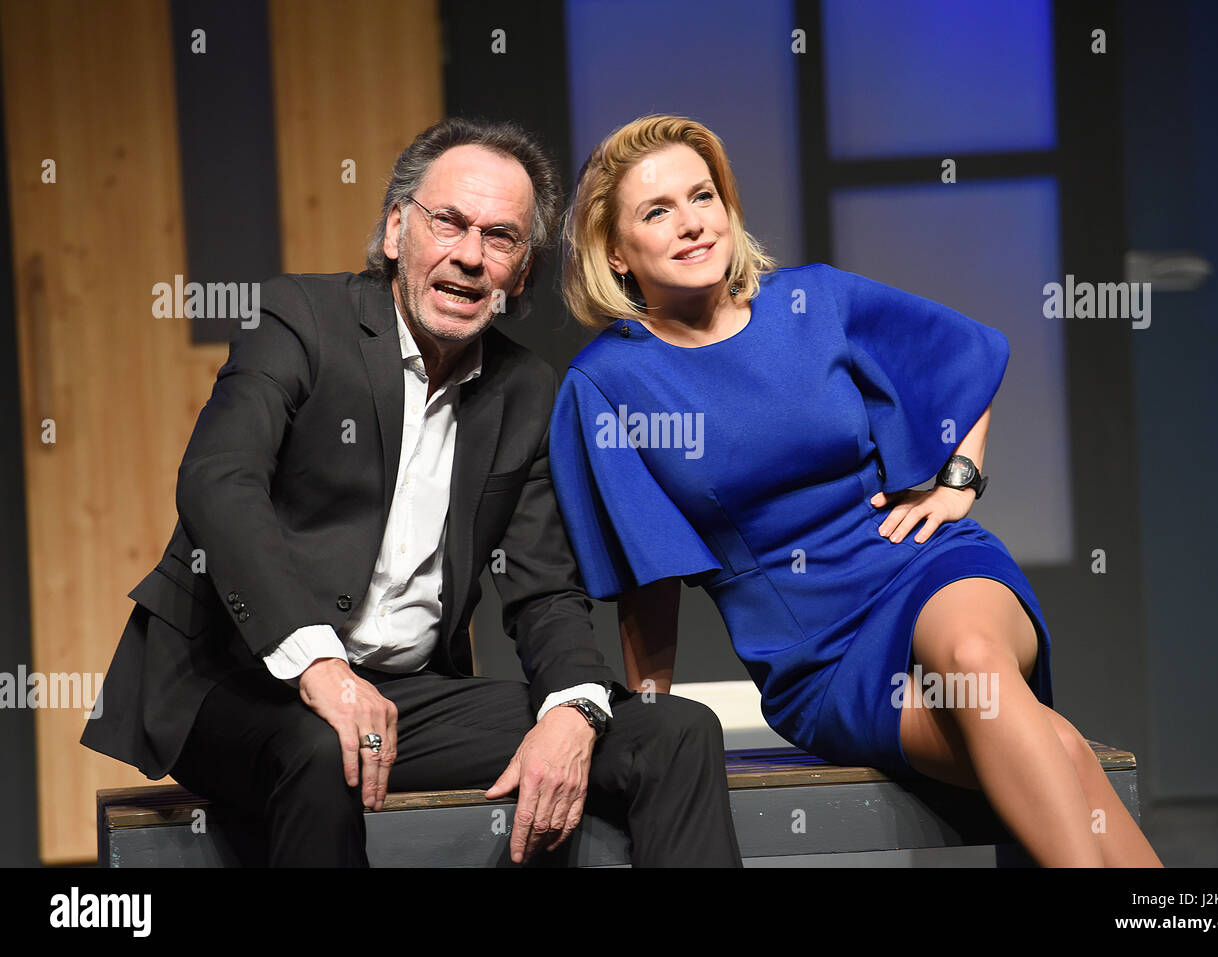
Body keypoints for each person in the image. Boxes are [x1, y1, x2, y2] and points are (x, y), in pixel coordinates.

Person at [81, 117, 741, 868]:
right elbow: (217, 482)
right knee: (322, 745)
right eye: (448, 223)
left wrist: (573, 707)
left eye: (501, 237)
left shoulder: (525, 390)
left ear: (521, 272)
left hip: (404, 698)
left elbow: (544, 591)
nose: (469, 256)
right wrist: (320, 668)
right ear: (397, 229)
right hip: (233, 679)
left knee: (675, 731)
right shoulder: (302, 320)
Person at [549, 114, 1162, 867]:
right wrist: (652, 724)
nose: (691, 224)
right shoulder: (607, 383)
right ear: (614, 250)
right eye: (657, 210)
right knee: (1058, 746)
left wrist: (959, 479)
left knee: (974, 658)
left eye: (702, 196)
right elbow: (649, 582)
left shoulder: (815, 302)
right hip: (819, 657)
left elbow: (967, 356)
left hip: (926, 571)